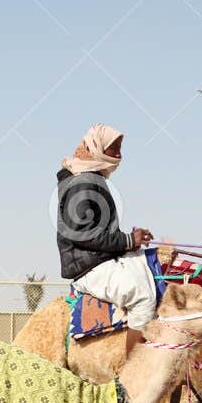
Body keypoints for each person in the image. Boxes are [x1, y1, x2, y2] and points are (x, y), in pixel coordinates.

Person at [54, 124, 157, 327]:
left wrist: (130, 239)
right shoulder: (82, 182)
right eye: (114, 148)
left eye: (120, 148)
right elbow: (80, 232)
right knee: (143, 298)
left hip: (99, 259)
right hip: (89, 267)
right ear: (97, 148)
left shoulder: (91, 178)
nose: (119, 154)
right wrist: (127, 240)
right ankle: (136, 359)